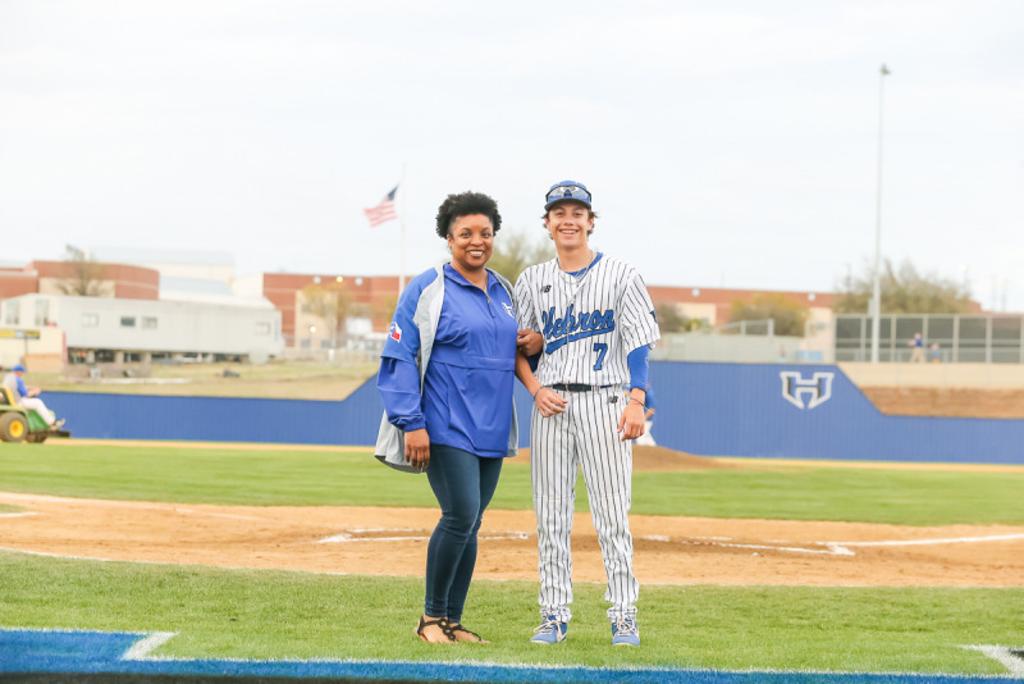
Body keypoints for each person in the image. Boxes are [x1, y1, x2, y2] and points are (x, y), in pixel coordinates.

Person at [513, 180, 660, 647]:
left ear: (591, 222)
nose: (569, 219)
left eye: (577, 212)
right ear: (547, 225)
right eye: (560, 212)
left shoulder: (622, 274)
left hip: (606, 401)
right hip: (551, 402)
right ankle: (553, 615)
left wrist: (637, 398)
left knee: (613, 516)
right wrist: (535, 389)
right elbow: (516, 347)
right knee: (551, 518)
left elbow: (639, 341)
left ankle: (624, 615)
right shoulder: (532, 280)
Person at [376, 191, 519, 645]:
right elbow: (399, 356)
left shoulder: (504, 291)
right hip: (444, 424)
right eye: (465, 234)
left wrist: (529, 344)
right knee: (459, 513)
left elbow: (512, 347)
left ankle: (453, 622)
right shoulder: (427, 288)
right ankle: (429, 620)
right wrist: (411, 422)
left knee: (472, 521)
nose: (476, 242)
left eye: (485, 233)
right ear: (448, 237)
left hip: (492, 428)